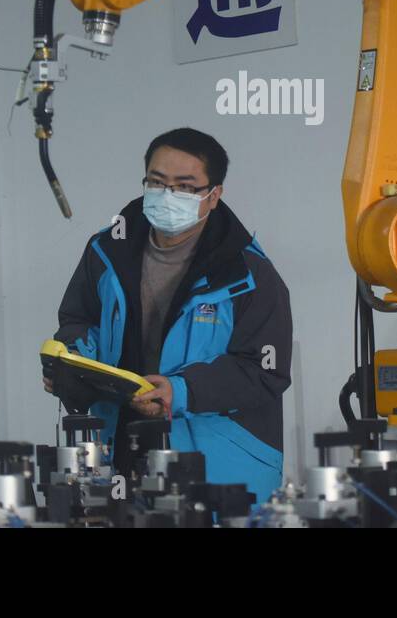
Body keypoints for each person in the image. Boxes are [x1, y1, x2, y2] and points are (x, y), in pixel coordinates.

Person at [45, 127, 292, 502]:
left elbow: (264, 370)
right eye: (157, 182)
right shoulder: (106, 251)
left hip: (218, 463)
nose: (168, 195)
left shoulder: (249, 275)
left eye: (185, 187)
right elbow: (80, 322)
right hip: (121, 445)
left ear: (213, 195)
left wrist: (180, 391)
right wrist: (73, 365)